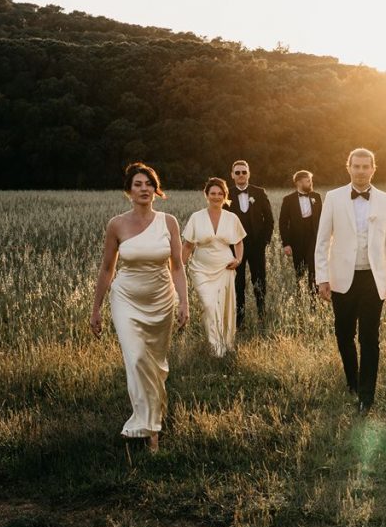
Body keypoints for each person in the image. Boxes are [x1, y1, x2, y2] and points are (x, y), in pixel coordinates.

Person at [90, 162, 189, 452]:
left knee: (154, 365)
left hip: (161, 299)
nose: (144, 188)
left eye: (148, 183)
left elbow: (178, 266)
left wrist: (184, 301)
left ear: (156, 189)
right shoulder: (116, 224)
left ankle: (153, 414)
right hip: (126, 299)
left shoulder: (168, 221)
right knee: (136, 359)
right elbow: (107, 269)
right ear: (128, 191)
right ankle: (149, 429)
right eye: (138, 184)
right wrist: (95, 309)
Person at [315, 148, 386, 413]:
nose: (361, 171)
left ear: (373, 169)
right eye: (357, 166)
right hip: (342, 278)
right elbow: (322, 241)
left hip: (373, 279)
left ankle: (367, 395)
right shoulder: (333, 198)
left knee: (369, 337)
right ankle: (352, 381)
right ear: (349, 167)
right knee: (343, 334)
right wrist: (322, 278)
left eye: (366, 166)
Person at [181, 178, 246, 357]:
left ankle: (225, 343)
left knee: (225, 306)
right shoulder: (197, 217)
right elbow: (187, 246)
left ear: (225, 196)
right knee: (209, 305)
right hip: (201, 269)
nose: (216, 197)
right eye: (213, 193)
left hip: (225, 268)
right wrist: (177, 268)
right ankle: (216, 347)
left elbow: (239, 242)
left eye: (220, 194)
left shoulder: (232, 218)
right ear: (206, 195)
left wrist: (238, 259)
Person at [225, 160, 274, 325]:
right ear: (232, 175)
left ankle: (262, 315)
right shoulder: (226, 194)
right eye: (237, 172)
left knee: (259, 281)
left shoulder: (259, 192)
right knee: (237, 283)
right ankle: (240, 319)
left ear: (249, 173)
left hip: (256, 244)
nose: (240, 175)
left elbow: (269, 220)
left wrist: (264, 241)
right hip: (233, 246)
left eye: (243, 172)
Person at [279, 170, 322, 293]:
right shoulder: (288, 200)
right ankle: (300, 298)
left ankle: (314, 302)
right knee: (299, 272)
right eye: (308, 181)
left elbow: (322, 219)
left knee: (313, 271)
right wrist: (286, 243)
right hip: (296, 241)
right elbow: (283, 223)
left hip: (314, 239)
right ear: (299, 182)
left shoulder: (316, 197)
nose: (311, 183)